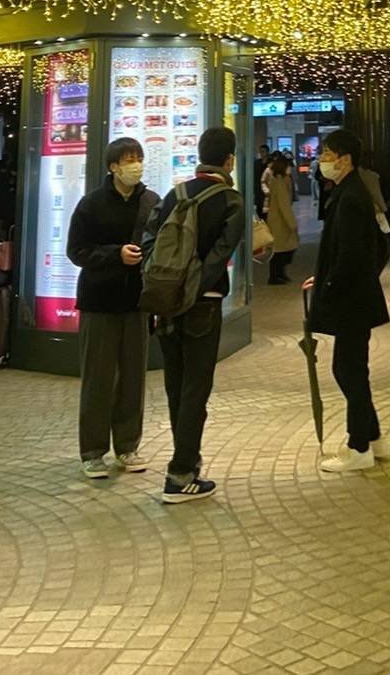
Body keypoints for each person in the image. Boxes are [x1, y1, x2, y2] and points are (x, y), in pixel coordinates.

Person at [143, 125, 245, 503]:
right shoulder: (230, 200)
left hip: (167, 303)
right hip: (202, 304)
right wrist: (195, 286)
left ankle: (186, 462)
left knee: (176, 383)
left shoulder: (174, 194)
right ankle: (181, 473)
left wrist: (165, 285)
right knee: (195, 388)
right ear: (229, 159)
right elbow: (222, 254)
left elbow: (149, 240)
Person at [66, 136, 160, 480]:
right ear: (113, 166)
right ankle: (92, 451)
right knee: (98, 378)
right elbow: (76, 251)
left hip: (137, 302)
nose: (135, 165)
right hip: (99, 302)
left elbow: (162, 245)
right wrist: (114, 255)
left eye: (139, 158)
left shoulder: (152, 202)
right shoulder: (91, 204)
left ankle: (127, 445)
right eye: (128, 159)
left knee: (133, 377)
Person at [305, 128, 390, 474]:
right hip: (355, 297)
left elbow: (352, 255)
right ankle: (372, 436)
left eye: (327, 154)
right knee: (351, 369)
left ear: (344, 159)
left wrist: (329, 282)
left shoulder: (352, 197)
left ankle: (359, 447)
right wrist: (322, 274)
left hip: (352, 300)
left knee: (348, 370)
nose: (322, 160)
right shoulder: (348, 192)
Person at [264, 152, 299, 284]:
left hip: (278, 219)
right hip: (280, 221)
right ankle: (275, 276)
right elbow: (284, 205)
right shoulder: (279, 182)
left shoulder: (279, 180)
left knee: (282, 249)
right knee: (280, 250)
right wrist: (292, 223)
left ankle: (279, 274)